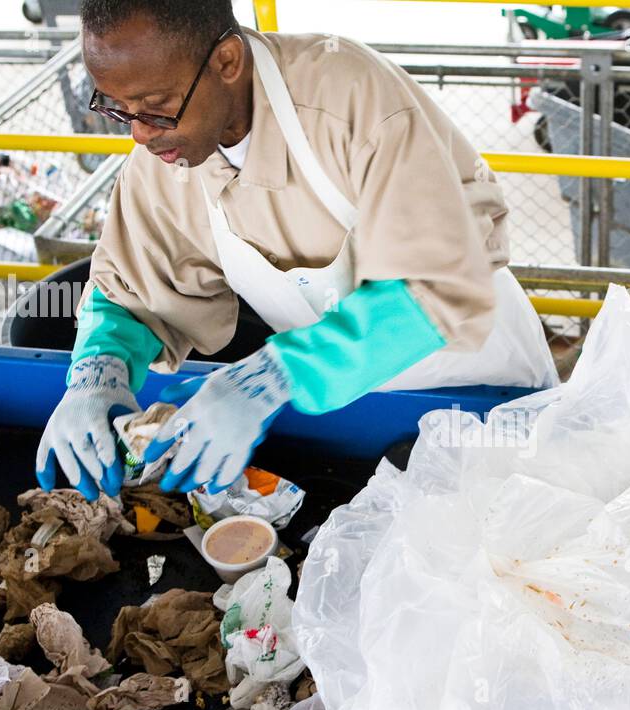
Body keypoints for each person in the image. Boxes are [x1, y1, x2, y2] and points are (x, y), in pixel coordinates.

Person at [36, 0, 558, 501]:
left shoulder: (350, 97)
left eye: (157, 109)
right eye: (117, 110)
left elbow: (444, 280)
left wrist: (273, 375)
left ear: (226, 61)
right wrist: (96, 375)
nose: (142, 136)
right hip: (347, 403)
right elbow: (134, 292)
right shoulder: (164, 160)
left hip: (477, 387)